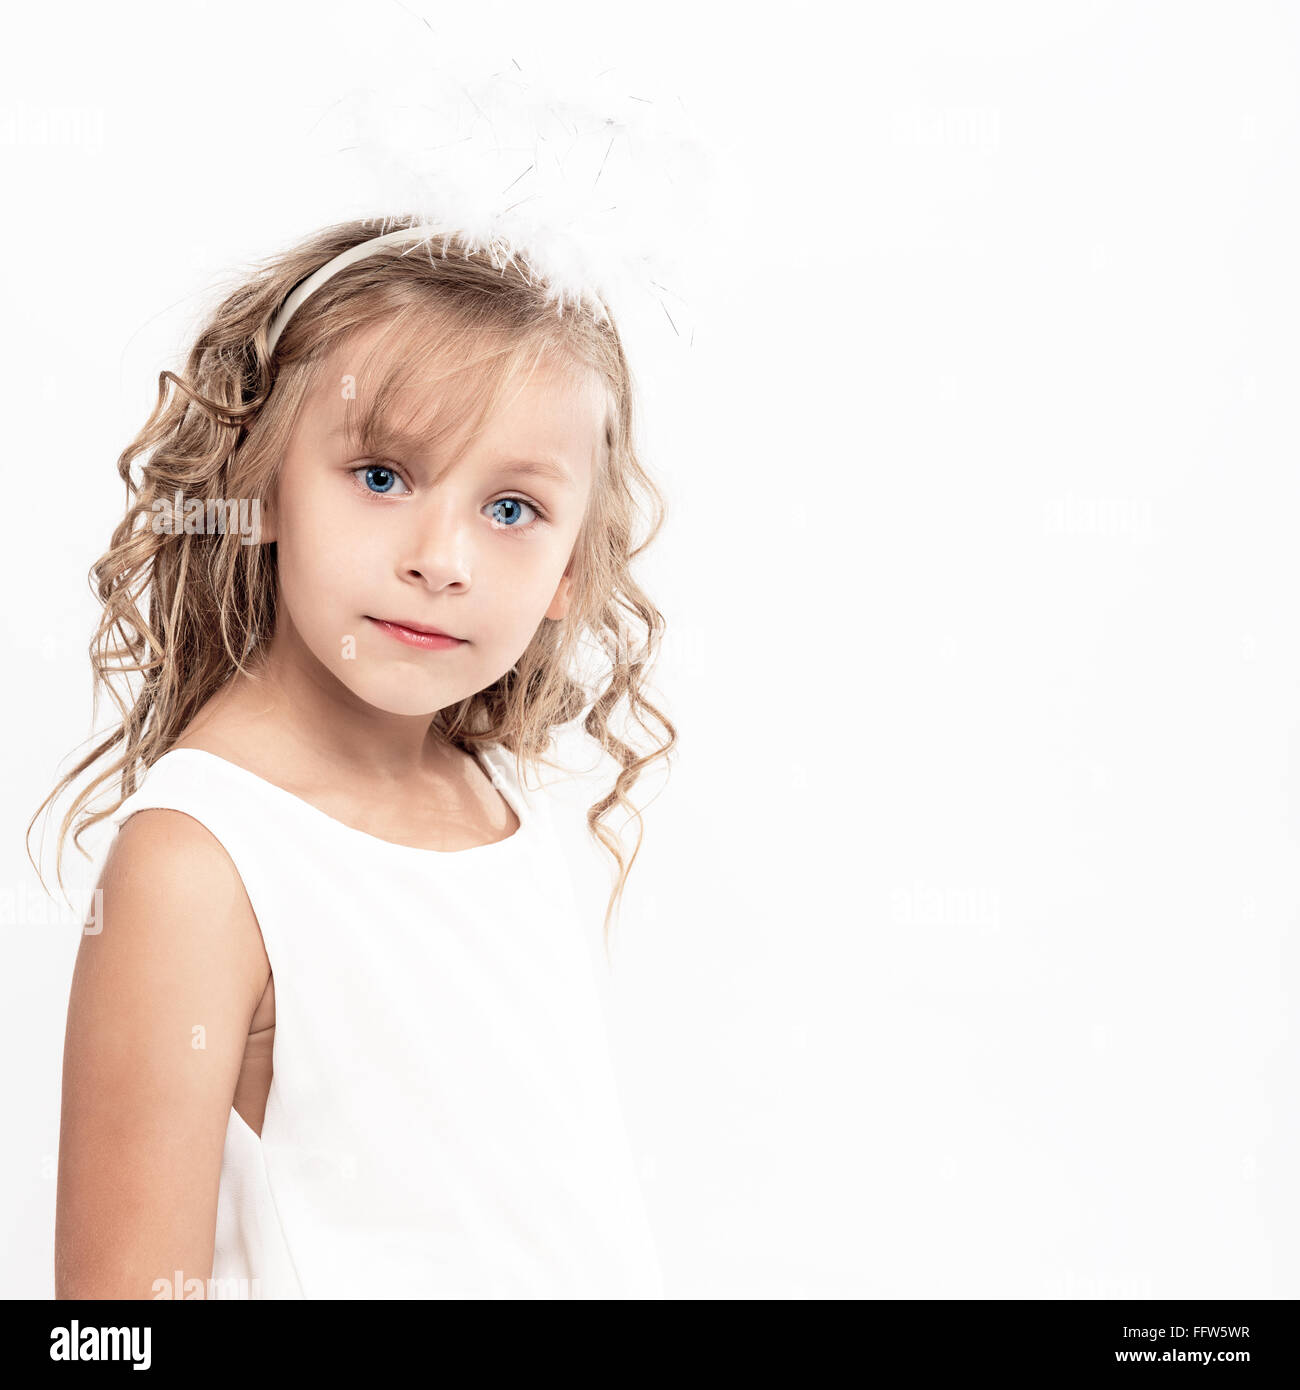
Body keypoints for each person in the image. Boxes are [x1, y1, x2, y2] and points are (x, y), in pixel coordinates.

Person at [36, 217, 674, 1299]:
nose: (440, 560)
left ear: (573, 565)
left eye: (512, 508)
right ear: (265, 481)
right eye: (381, 476)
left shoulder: (495, 796)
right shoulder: (199, 863)